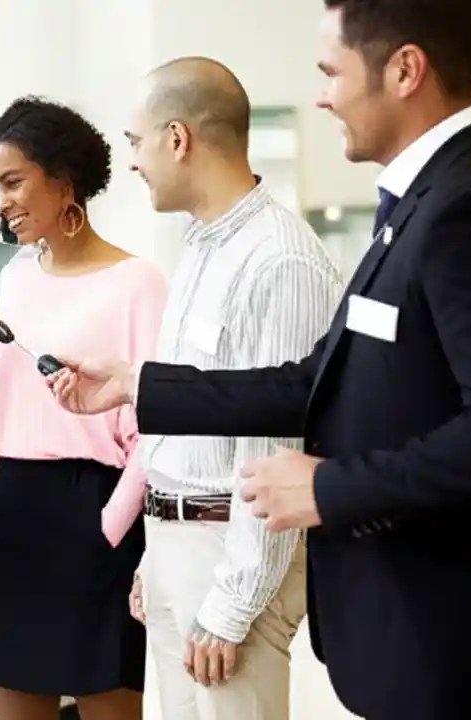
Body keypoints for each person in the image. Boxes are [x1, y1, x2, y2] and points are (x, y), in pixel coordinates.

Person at [46, 1, 471, 718]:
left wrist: (331, 487)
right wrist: (138, 385)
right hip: (424, 640)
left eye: (330, 71)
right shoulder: (419, 206)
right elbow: (317, 382)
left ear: (405, 70)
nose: (320, 95)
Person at [113, 57, 342, 720]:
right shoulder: (200, 248)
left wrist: (234, 600)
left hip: (231, 557)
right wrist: (156, 555)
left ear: (177, 138)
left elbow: (275, 438)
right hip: (176, 545)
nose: (134, 160)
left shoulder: (281, 258)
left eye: (137, 142)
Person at [0, 95, 167, 720]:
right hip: (16, 506)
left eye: (14, 181)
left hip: (97, 510)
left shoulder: (140, 283)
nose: (3, 202)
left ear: (62, 180)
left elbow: (158, 424)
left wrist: (109, 526)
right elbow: (13, 407)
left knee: (109, 700)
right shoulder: (19, 275)